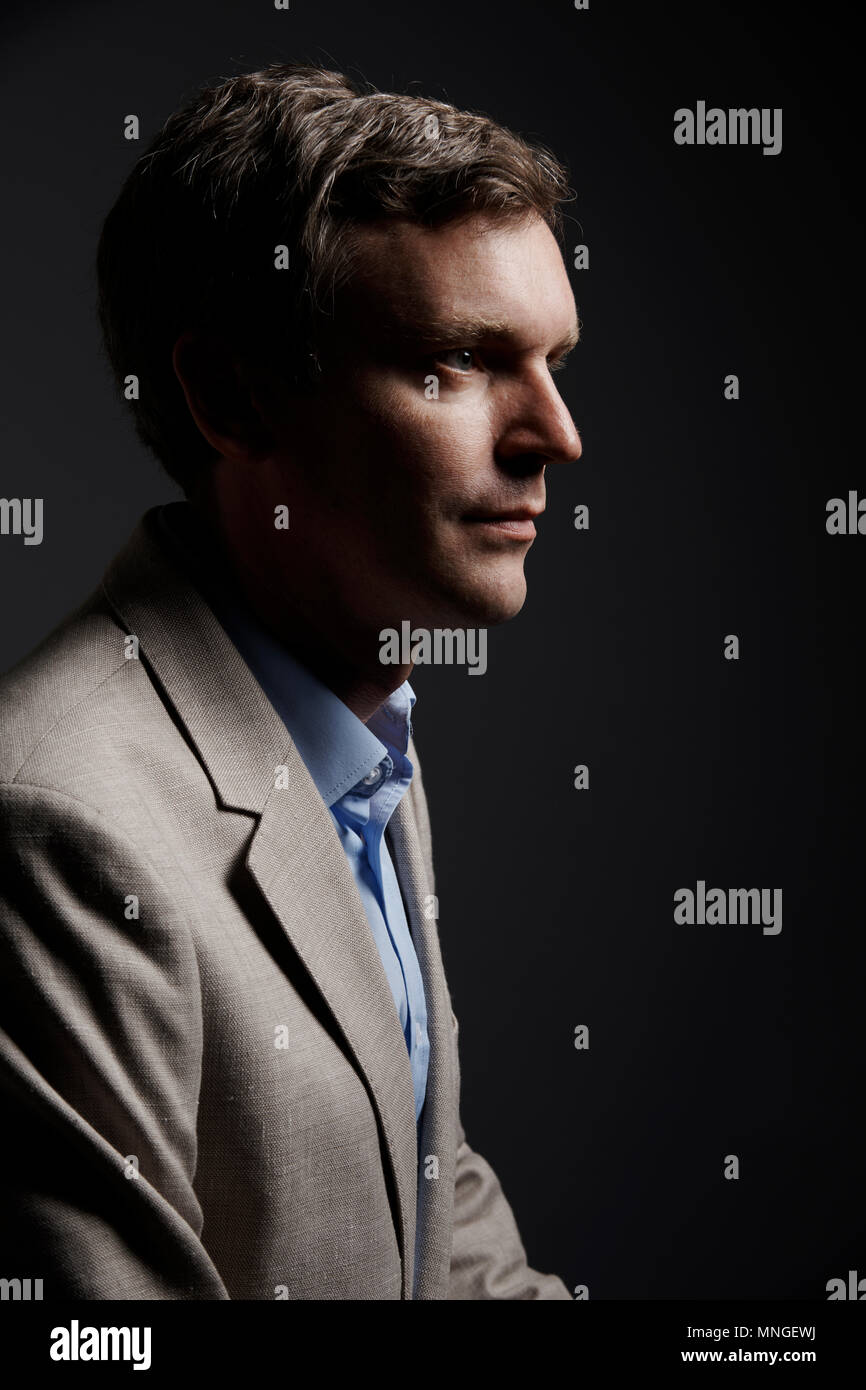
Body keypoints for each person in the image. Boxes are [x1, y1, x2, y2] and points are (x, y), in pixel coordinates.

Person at [0, 62, 582, 1299]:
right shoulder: (55, 828)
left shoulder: (351, 724)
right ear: (229, 395)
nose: (553, 433)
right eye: (459, 361)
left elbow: (431, 1202)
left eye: (552, 360)